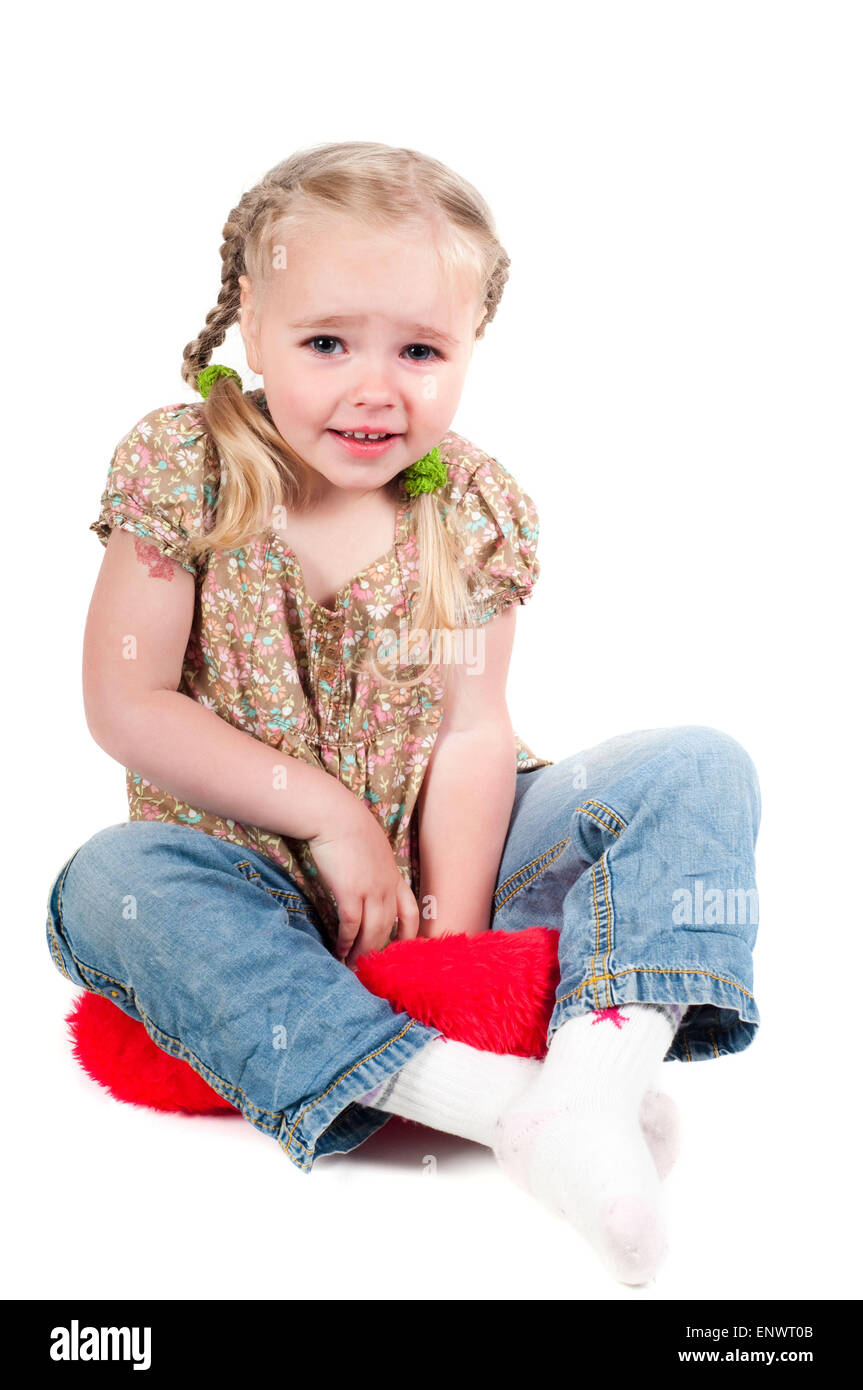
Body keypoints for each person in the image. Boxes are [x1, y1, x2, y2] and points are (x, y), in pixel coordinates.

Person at [45, 141, 761, 1286]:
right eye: (326, 343)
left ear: (469, 348)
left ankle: (592, 1078)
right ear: (251, 333)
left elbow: (475, 733)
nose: (376, 387)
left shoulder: (472, 506)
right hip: (249, 869)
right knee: (102, 883)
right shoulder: (183, 465)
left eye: (420, 349)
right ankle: (500, 1102)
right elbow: (124, 701)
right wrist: (325, 814)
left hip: (443, 856)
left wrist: (454, 932)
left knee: (696, 765)